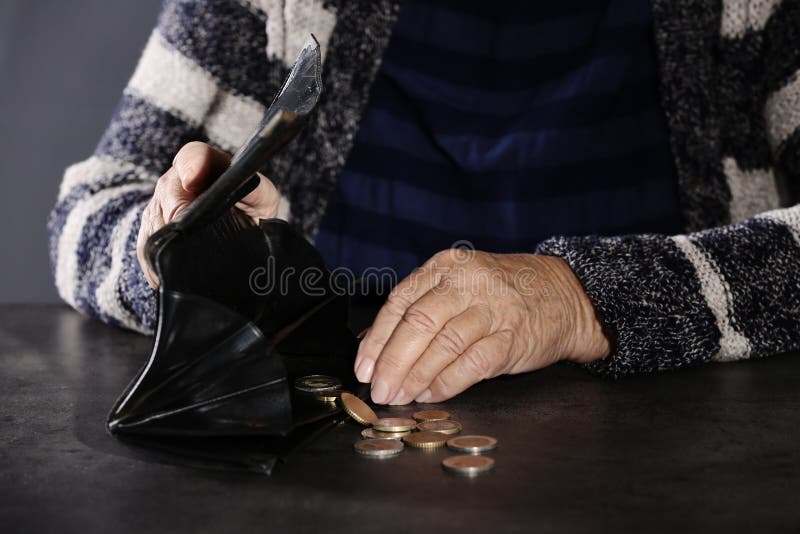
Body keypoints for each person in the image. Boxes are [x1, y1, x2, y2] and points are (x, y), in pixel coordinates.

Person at [49, 0, 800, 406]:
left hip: (682, 479)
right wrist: (171, 253)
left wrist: (585, 299)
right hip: (335, 483)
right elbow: (87, 209)